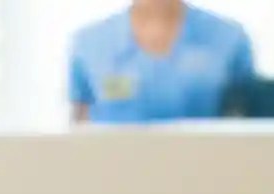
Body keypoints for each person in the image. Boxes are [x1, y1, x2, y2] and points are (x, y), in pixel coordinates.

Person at [69, 0, 256, 124]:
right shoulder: (90, 43)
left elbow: (248, 130)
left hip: (206, 176)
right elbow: (77, 137)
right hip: (112, 177)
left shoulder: (228, 38)